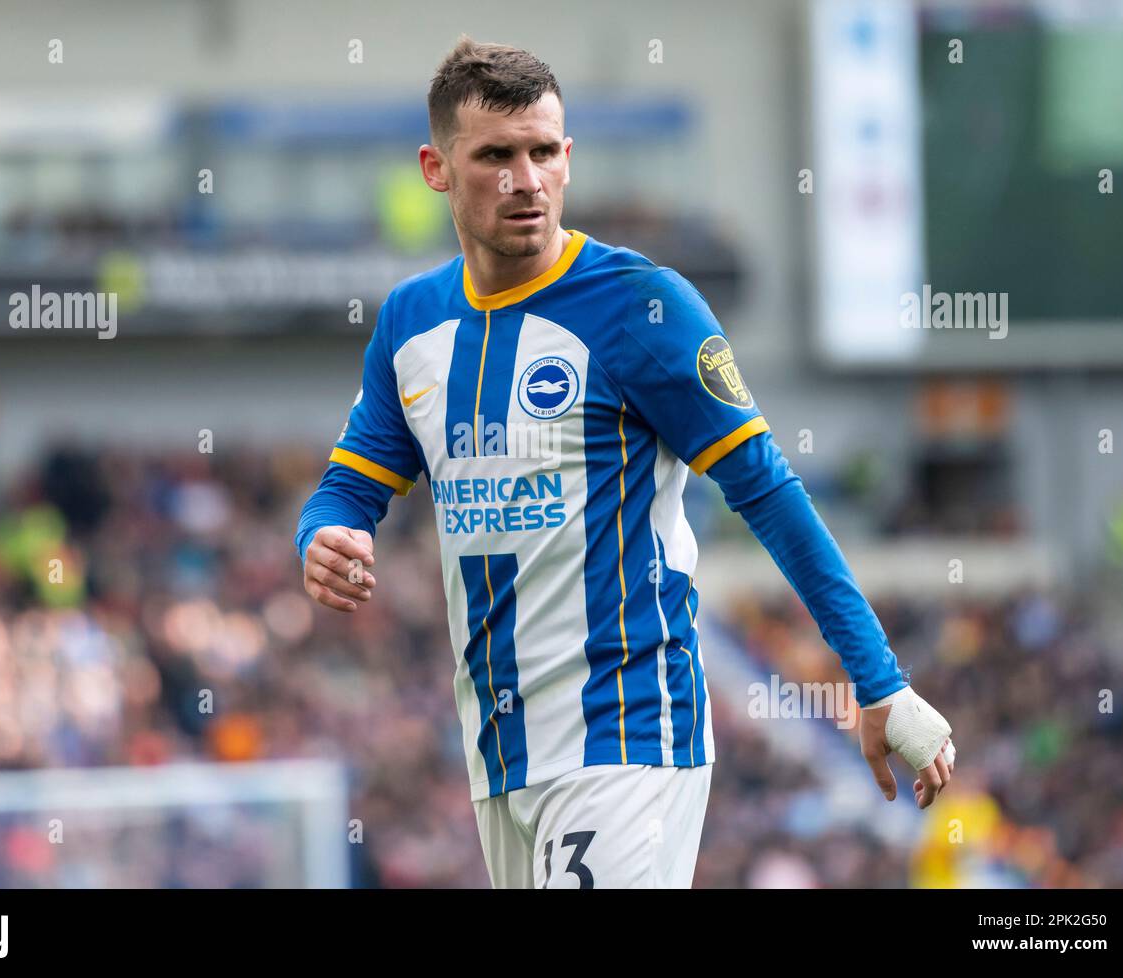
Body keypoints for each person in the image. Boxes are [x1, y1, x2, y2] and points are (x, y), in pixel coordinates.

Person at [296, 36, 954, 888]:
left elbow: (768, 493)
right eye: (495, 156)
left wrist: (879, 681)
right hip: (501, 754)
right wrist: (324, 534)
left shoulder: (644, 307)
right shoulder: (411, 324)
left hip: (627, 731)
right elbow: (349, 487)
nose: (526, 180)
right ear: (437, 169)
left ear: (568, 158)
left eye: (544, 152)